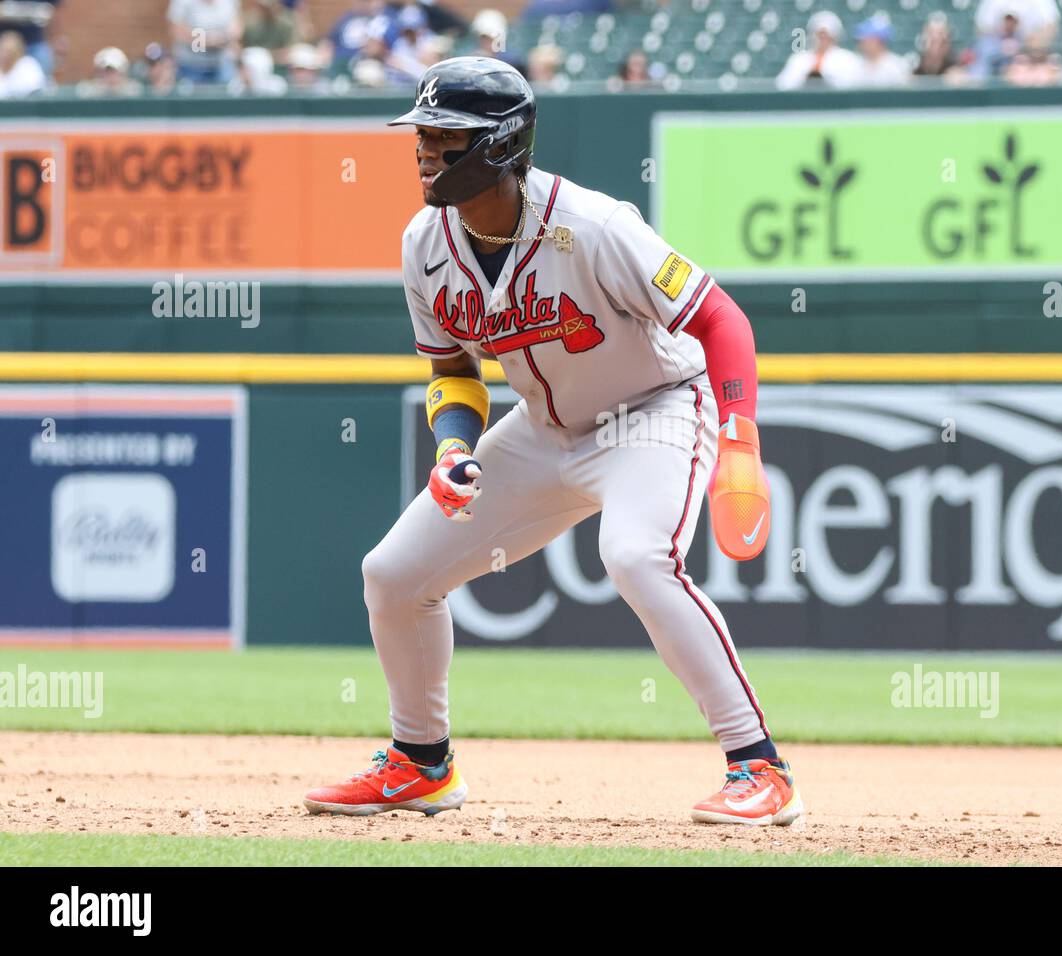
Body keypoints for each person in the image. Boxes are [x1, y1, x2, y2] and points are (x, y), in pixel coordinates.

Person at [303, 58, 802, 828]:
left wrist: (738, 439)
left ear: (500, 146)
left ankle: (759, 767)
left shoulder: (595, 226)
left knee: (636, 556)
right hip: (545, 428)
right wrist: (451, 448)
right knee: (393, 575)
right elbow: (451, 370)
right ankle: (420, 764)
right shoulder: (423, 244)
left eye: (446, 137)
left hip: (654, 412)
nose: (425, 151)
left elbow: (721, 321)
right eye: (422, 135)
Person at [774, 11, 864, 90]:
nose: (822, 38)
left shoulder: (848, 59)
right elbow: (783, 85)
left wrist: (828, 80)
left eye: (826, 35)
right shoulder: (799, 59)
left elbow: (855, 85)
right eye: (819, 34)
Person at [167, 0, 241, 83]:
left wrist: (220, 39)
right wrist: (209, 41)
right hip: (190, 65)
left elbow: (236, 29)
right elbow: (177, 30)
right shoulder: (182, 2)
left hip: (222, 64)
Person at [851, 14, 911, 86]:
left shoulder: (896, 65)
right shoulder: (855, 64)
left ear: (878, 40)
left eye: (866, 39)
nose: (861, 42)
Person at [242, 0, 297, 65]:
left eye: (271, 6)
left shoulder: (286, 25)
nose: (268, 10)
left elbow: (290, 49)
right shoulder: (251, 25)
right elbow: (246, 47)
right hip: (255, 61)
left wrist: (267, 54)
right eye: (264, 7)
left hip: (279, 62)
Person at [76, 46, 143, 97]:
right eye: (106, 71)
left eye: (113, 71)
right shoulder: (88, 90)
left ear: (123, 73)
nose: (110, 76)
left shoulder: (134, 90)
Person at [0, 30, 45, 97]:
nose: (5, 55)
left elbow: (35, 94)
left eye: (9, 51)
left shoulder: (28, 65)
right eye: (3, 50)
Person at [915, 12, 959, 77]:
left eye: (940, 33)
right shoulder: (916, 62)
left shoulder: (954, 61)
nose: (936, 37)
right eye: (931, 33)